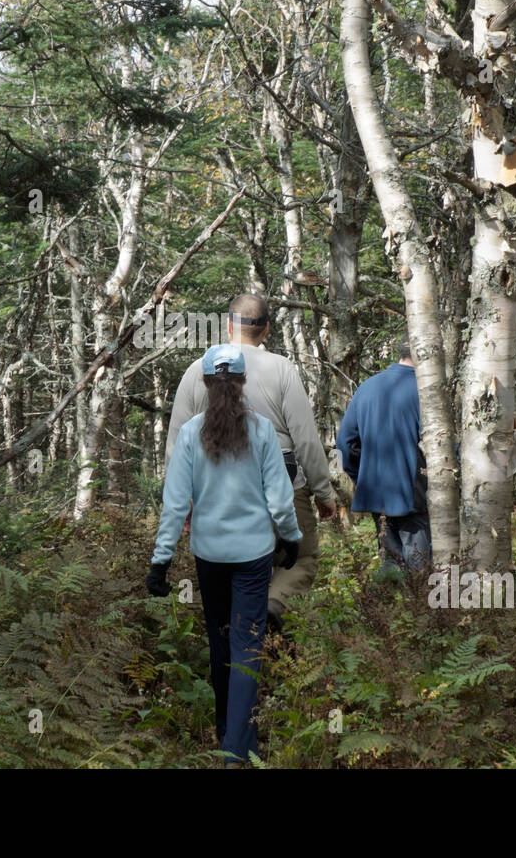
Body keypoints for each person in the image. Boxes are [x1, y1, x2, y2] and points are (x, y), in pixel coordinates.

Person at [146, 344, 301, 765]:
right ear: (243, 381)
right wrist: (292, 539)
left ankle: (226, 734)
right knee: (247, 644)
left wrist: (161, 561)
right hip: (253, 556)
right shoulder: (263, 430)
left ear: (205, 382)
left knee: (220, 643)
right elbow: (280, 500)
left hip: (210, 556)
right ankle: (238, 749)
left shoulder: (192, 434)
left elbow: (175, 504)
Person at [165, 294, 336, 632]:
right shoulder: (282, 369)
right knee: (299, 558)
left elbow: (176, 444)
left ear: (228, 326)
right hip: (283, 481)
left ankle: (234, 637)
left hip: (216, 488)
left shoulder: (198, 369)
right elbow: (304, 437)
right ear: (266, 329)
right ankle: (273, 606)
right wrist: (322, 491)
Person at [335, 336, 430, 576]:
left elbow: (345, 444)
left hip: (376, 490)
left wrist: (362, 476)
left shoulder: (366, 387)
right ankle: (418, 611)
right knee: (418, 570)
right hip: (415, 492)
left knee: (391, 564)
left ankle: (389, 609)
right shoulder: (426, 392)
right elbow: (444, 447)